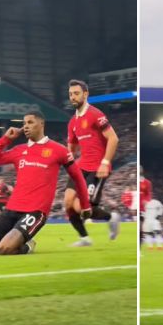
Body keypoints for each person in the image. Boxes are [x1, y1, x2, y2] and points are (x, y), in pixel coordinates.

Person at [0, 112, 91, 255]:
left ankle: (27, 244)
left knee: (5, 249)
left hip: (35, 211)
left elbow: (78, 178)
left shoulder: (59, 150)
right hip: (11, 209)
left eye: (30, 122)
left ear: (41, 124)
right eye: (24, 123)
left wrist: (85, 205)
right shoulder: (19, 150)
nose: (25, 126)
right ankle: (12, 241)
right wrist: (6, 139)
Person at [64, 79, 121, 246]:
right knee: (68, 202)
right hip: (81, 166)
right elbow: (72, 149)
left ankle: (112, 218)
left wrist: (105, 162)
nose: (73, 97)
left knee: (81, 208)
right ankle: (84, 238)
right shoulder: (72, 122)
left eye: (76, 93)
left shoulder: (96, 114)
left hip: (97, 168)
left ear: (85, 94)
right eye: (70, 94)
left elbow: (113, 138)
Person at [139, 166, 152, 247]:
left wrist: (147, 202)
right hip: (135, 208)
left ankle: (139, 249)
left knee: (141, 230)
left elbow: (148, 194)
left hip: (143, 208)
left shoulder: (147, 182)